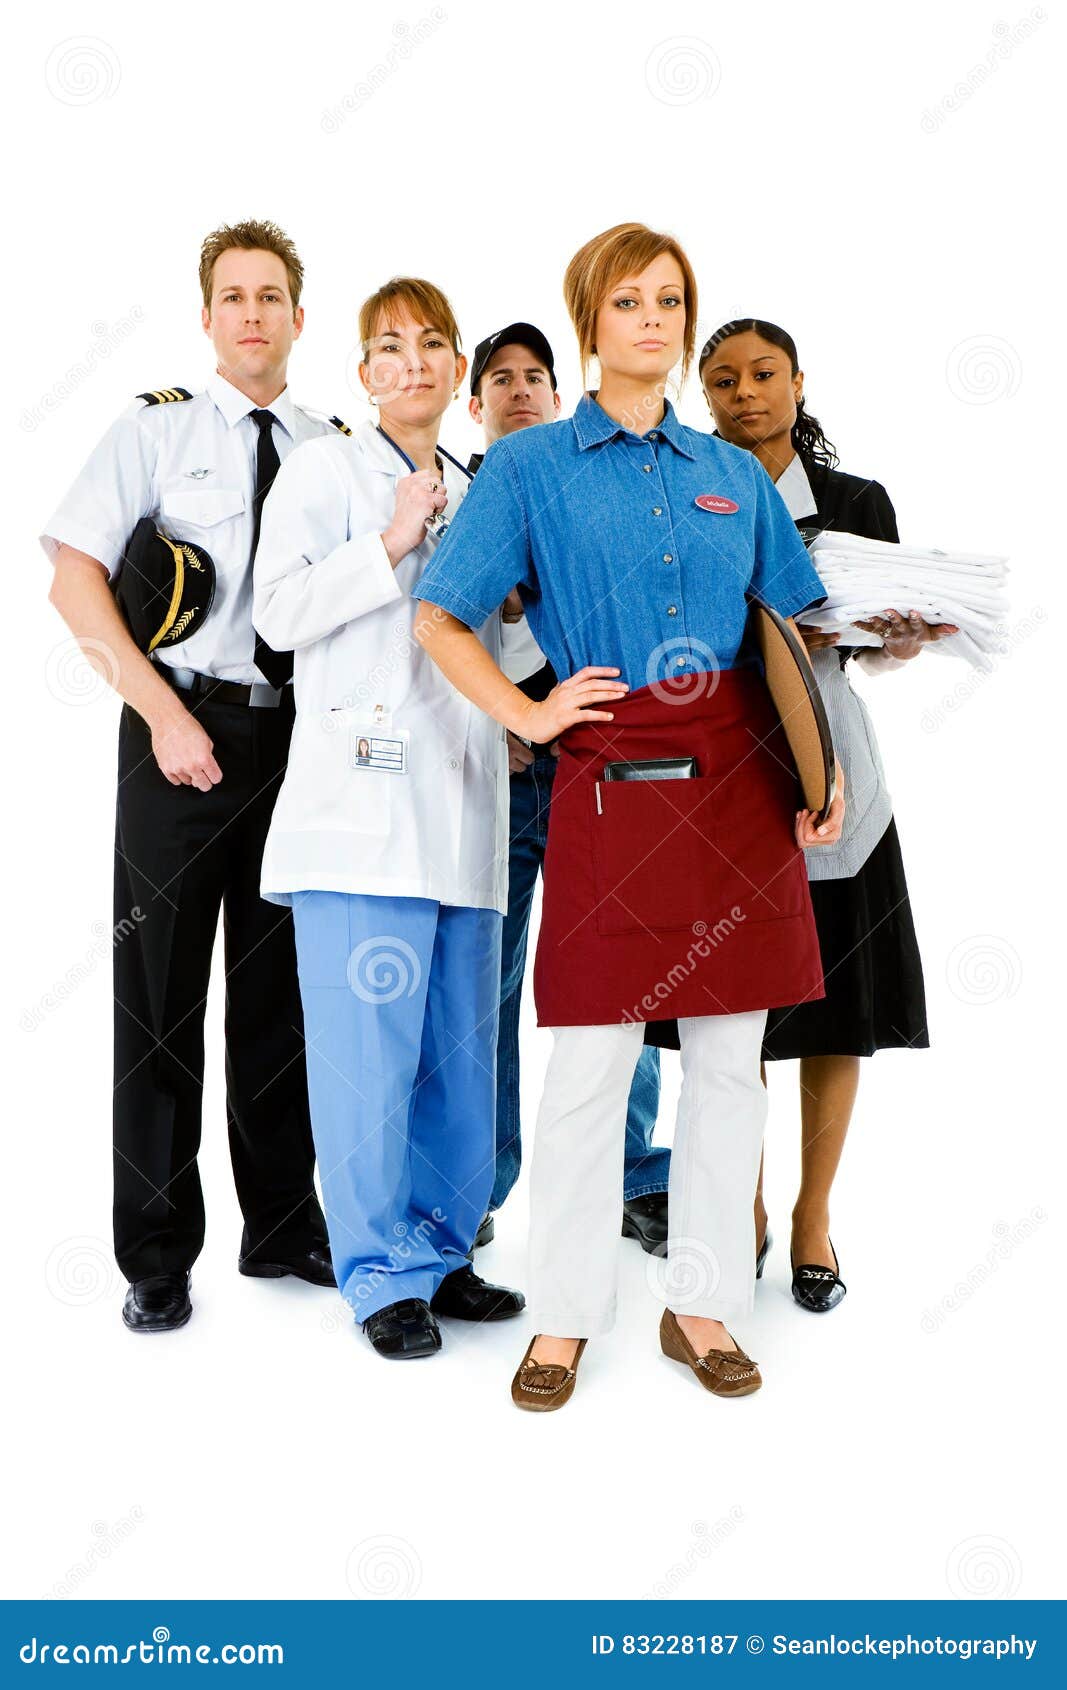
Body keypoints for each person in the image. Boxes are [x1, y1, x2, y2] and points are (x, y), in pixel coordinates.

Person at [416, 224, 845, 1411]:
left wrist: (820, 776)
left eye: (668, 301)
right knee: (590, 1060)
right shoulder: (528, 467)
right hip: (609, 776)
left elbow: (790, 639)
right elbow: (440, 616)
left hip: (741, 781)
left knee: (727, 1065)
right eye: (626, 301)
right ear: (588, 321)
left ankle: (698, 1306)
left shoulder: (733, 476)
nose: (651, 319)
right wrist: (529, 710)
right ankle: (561, 1317)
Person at [41, 219, 339, 1335]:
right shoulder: (154, 428)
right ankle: (157, 1252)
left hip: (296, 739)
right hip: (179, 732)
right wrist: (162, 717)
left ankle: (282, 1225)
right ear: (207, 316)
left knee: (281, 995)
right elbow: (73, 579)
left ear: (299, 317)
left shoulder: (330, 446)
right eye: (233, 297)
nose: (252, 314)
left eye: (271, 296)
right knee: (159, 997)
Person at [252, 278, 534, 1360]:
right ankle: (376, 1275)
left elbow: (497, 649)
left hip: (463, 815)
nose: (410, 361)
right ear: (363, 372)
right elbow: (279, 614)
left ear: (457, 369)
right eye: (387, 346)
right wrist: (388, 540)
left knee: (459, 1058)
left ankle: (444, 1254)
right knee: (366, 1065)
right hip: (358, 819)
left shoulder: (483, 487)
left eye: (430, 344)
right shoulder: (324, 471)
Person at [700, 318, 952, 1312]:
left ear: (798, 383)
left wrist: (900, 639)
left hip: (831, 767)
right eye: (723, 380)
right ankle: (744, 1205)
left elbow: (877, 644)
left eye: (762, 374)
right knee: (734, 1014)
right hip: (720, 772)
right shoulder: (687, 493)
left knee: (835, 1005)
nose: (745, 393)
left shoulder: (853, 502)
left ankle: (812, 1215)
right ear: (704, 398)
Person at [465, 322, 670, 1255]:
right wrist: (499, 720)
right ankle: (478, 1181)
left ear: (558, 396)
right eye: (500, 379)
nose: (518, 390)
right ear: (474, 403)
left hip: (601, 768)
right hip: (499, 774)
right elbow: (422, 639)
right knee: (490, 981)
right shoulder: (456, 498)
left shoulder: (596, 488)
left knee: (624, 972)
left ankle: (631, 1172)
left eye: (534, 377)